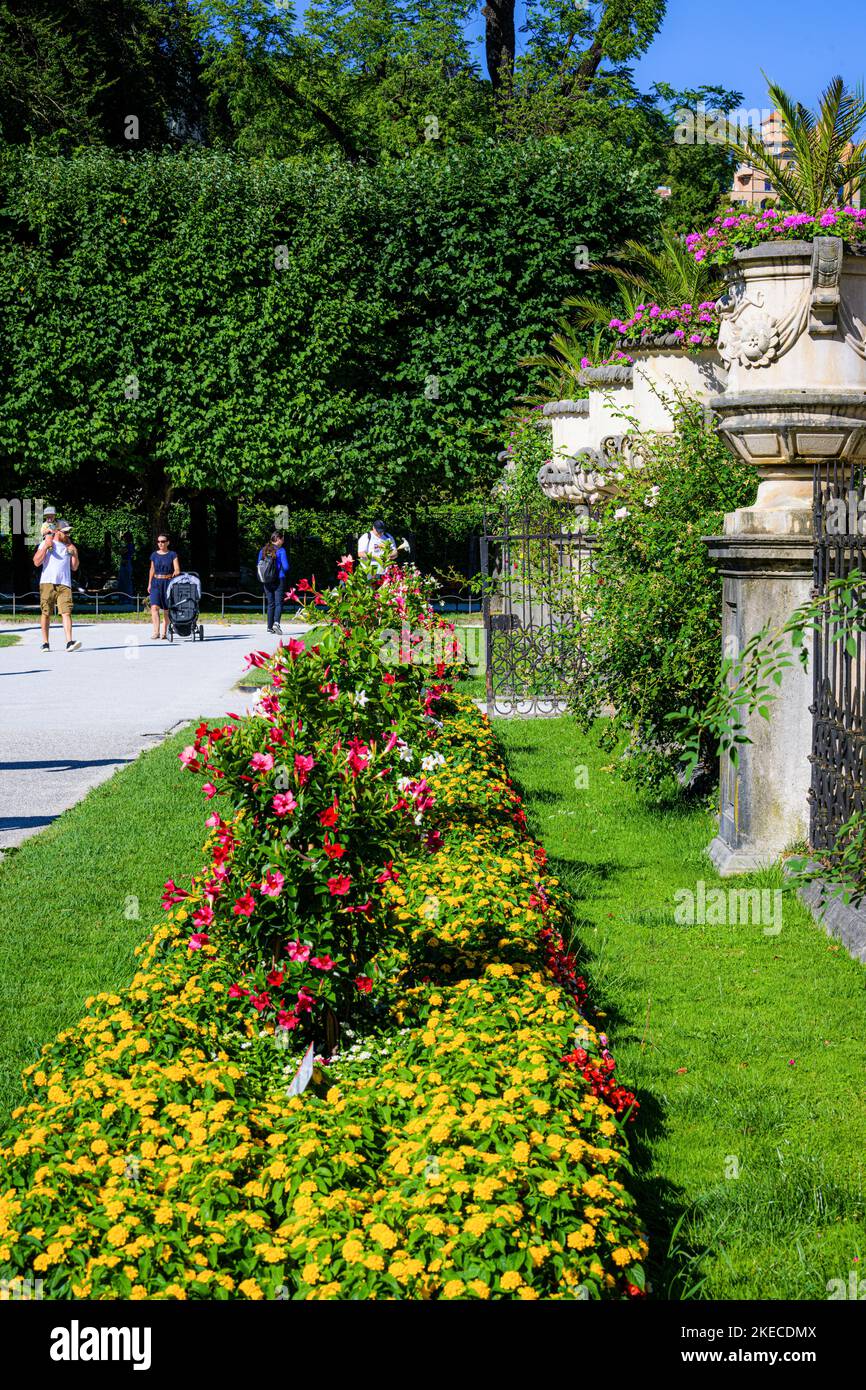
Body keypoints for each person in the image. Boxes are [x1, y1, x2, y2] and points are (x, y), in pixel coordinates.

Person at [32, 518, 81, 652]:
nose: (67, 535)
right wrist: (46, 548)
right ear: (57, 531)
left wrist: (75, 554)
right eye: (65, 532)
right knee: (46, 612)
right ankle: (45, 643)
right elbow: (36, 562)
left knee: (66, 612)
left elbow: (74, 567)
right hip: (47, 582)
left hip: (65, 583)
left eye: (69, 532)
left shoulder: (69, 546)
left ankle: (69, 642)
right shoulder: (46, 543)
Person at [147, 533, 180, 639]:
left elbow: (177, 569)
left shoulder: (172, 554)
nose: (160, 543)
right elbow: (152, 569)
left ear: (168, 543)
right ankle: (156, 632)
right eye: (158, 541)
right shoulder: (154, 555)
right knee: (154, 607)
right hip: (156, 582)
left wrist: (176, 573)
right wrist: (149, 583)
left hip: (168, 583)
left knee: (166, 609)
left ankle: (164, 633)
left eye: (163, 541)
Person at [257, 531, 290, 634]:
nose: (283, 541)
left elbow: (259, 564)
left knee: (270, 603)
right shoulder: (281, 550)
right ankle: (276, 623)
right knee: (278, 603)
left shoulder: (263, 550)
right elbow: (286, 567)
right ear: (278, 539)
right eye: (283, 539)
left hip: (266, 580)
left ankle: (269, 627)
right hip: (279, 579)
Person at [117, 531, 135, 610]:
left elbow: (121, 552)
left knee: (126, 582)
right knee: (122, 582)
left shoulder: (130, 546)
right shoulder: (128, 546)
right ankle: (123, 599)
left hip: (127, 565)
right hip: (124, 565)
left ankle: (128, 599)